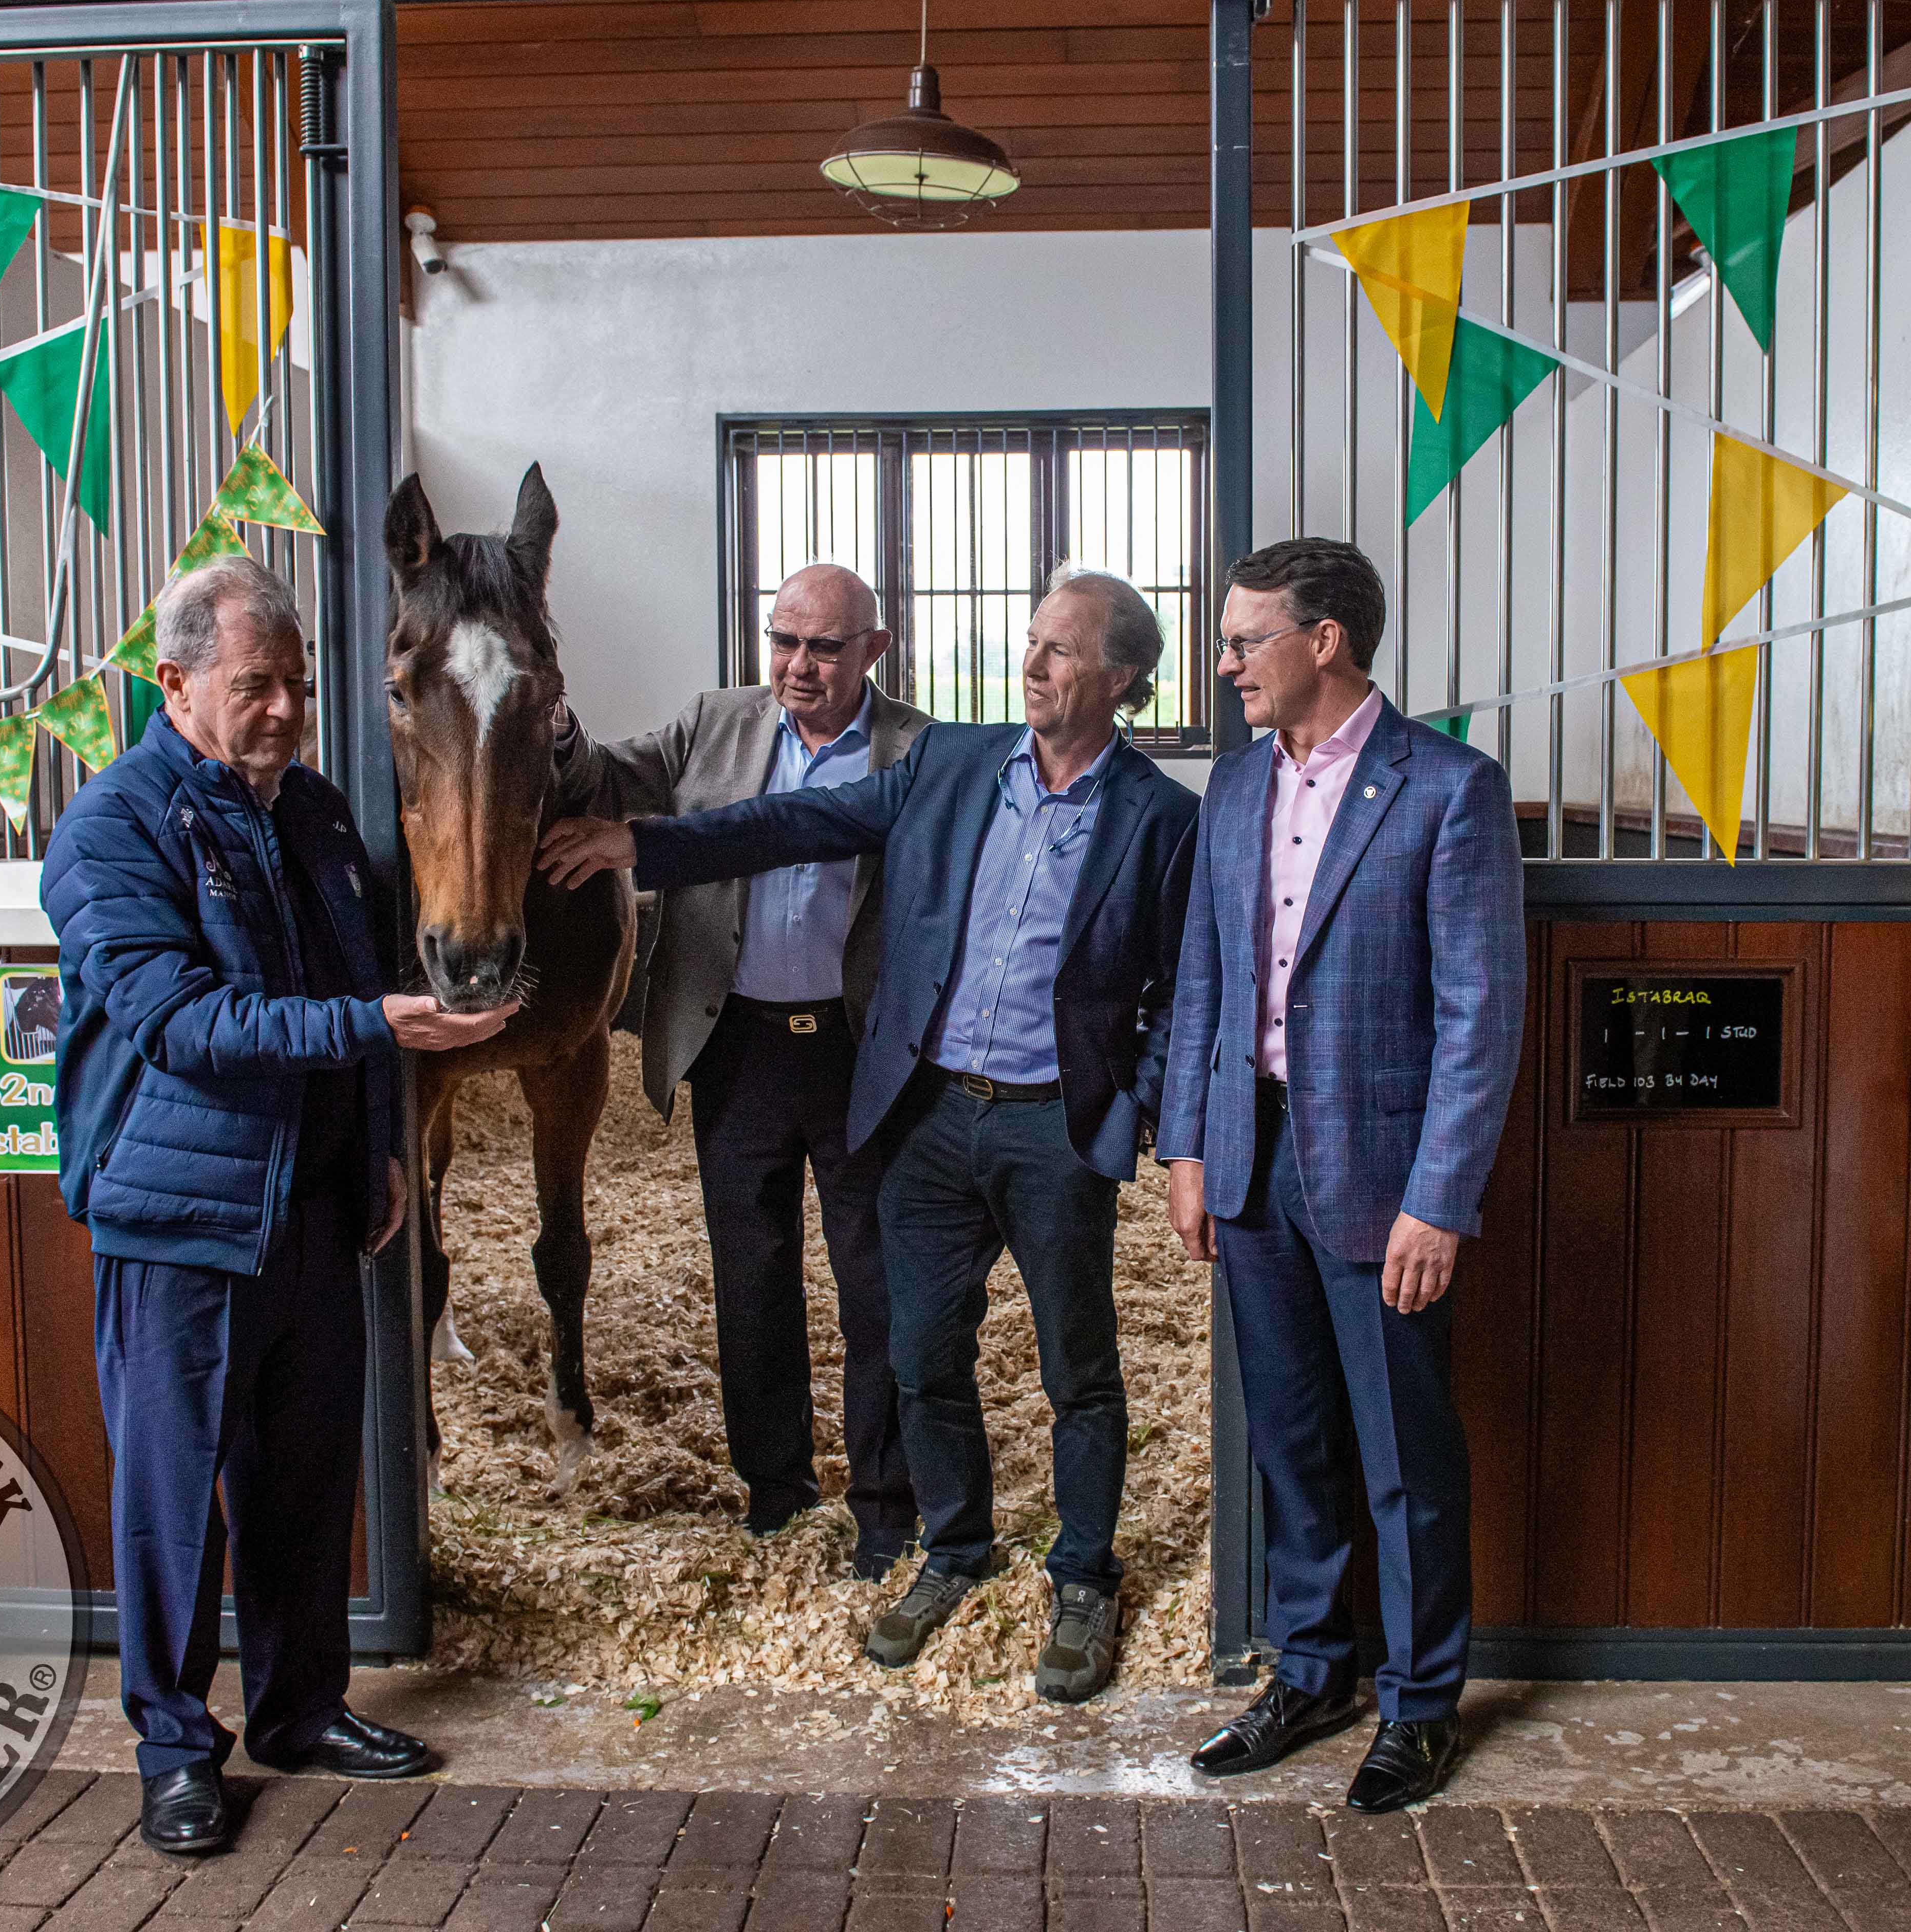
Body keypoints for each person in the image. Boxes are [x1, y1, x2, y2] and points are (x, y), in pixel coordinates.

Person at [541, 572, 1197, 1703]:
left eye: (1059, 653)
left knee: (1077, 1370)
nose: (1032, 668)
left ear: (1123, 680)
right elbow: (793, 821)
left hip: (1054, 1129)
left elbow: (1180, 991)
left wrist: (1136, 1109)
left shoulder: (1162, 819)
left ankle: (1083, 1577)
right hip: (933, 1113)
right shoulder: (953, 766)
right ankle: (953, 1548)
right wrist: (639, 844)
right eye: (1030, 645)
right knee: (919, 1351)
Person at [41, 557, 512, 1856]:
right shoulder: (112, 830)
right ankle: (174, 1746)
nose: (287, 710)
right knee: (174, 1494)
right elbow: (183, 1022)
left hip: (312, 1208)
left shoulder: (309, 814)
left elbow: (359, 995)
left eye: (301, 685)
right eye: (257, 686)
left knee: (306, 1483)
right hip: (180, 1219)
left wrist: (382, 1155)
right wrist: (376, 1023)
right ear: (174, 682)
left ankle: (299, 1710)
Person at [1159, 537, 1524, 1813]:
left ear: (1324, 641)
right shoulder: (1232, 788)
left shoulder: (1447, 790)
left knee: (1400, 1453)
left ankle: (1419, 1704)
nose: (1224, 663)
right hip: (1250, 1161)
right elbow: (1204, 976)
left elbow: (1481, 1013)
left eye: (1244, 638)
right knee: (1293, 1440)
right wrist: (1189, 1145)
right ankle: (1311, 1669)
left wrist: (1440, 1195)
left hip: (1380, 1176)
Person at [551, 562, 931, 1576]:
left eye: (824, 647)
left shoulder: (916, 748)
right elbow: (603, 774)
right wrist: (551, 725)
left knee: (876, 1285)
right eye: (783, 641)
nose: (797, 666)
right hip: (739, 1043)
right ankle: (775, 1488)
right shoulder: (714, 722)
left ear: (874, 652)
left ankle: (886, 1501)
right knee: (752, 1279)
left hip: (860, 1052)